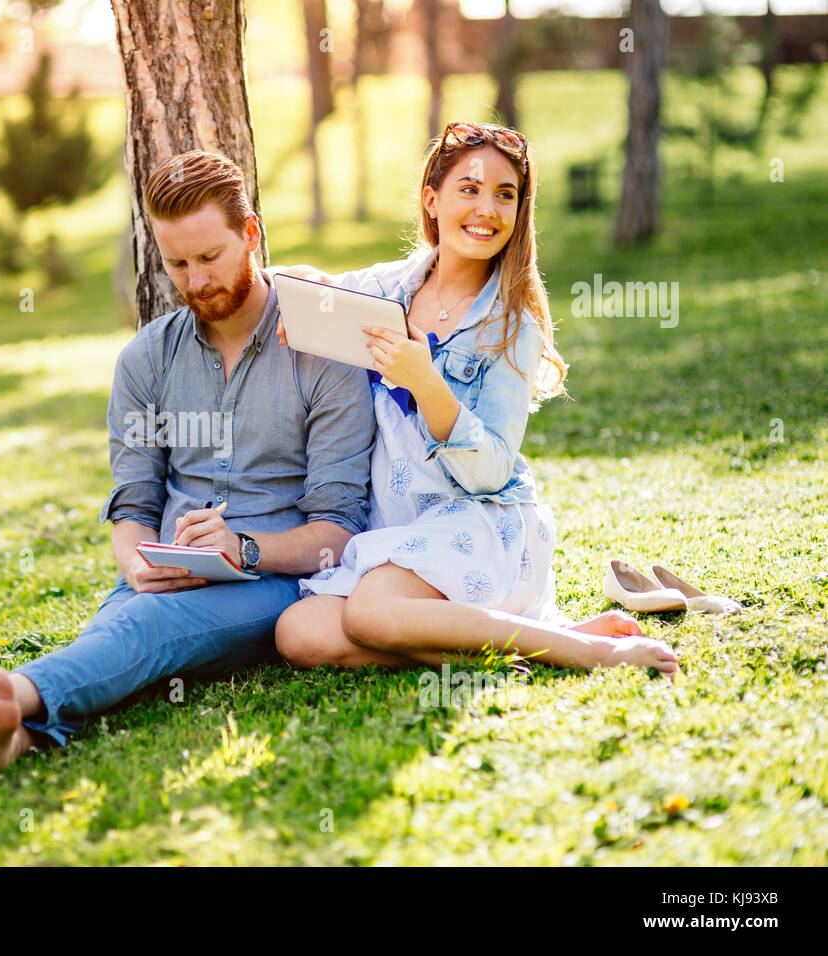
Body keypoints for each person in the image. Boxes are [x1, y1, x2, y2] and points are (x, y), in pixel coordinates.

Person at [0, 150, 377, 772]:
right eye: (177, 263)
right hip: (162, 576)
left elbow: (338, 533)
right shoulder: (145, 360)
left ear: (252, 234)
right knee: (122, 635)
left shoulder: (324, 352)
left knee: (144, 632)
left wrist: (244, 548)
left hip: (279, 583)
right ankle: (6, 738)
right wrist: (136, 563)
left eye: (210, 257)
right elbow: (135, 504)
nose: (196, 280)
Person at [272, 122, 680, 679]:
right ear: (431, 201)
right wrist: (292, 297)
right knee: (299, 631)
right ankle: (526, 643)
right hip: (397, 535)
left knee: (370, 612)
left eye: (504, 194)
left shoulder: (513, 325)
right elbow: (311, 287)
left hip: (480, 525)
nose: (486, 208)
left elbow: (490, 471)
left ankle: (590, 653)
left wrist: (427, 384)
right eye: (469, 189)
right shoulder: (384, 290)